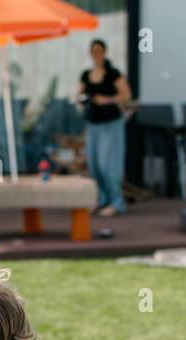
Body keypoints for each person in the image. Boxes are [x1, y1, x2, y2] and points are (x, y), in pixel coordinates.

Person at [78, 38, 131, 216]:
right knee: (94, 164)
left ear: (105, 52)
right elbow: (79, 95)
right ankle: (102, 199)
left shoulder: (113, 73)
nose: (97, 55)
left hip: (111, 124)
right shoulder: (86, 75)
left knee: (108, 164)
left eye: (100, 51)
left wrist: (107, 99)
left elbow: (126, 95)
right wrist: (84, 100)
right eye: (94, 51)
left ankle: (117, 202)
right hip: (93, 124)